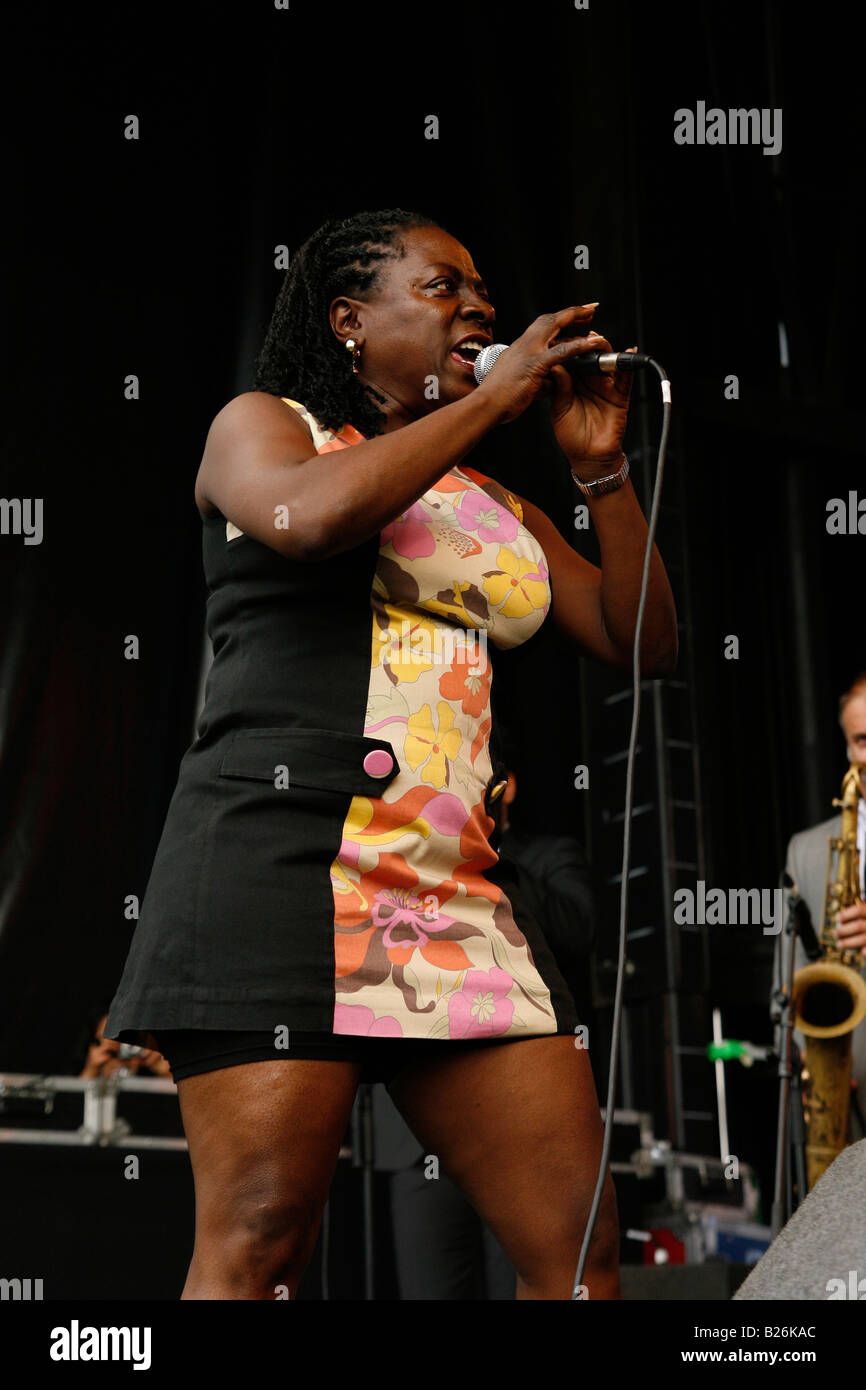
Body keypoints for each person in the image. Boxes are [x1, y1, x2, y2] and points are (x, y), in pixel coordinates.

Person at [104, 208, 678, 1300]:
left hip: (450, 895)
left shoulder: (494, 505)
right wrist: (497, 398)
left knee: (577, 1250)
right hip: (276, 870)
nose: (481, 307)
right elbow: (311, 520)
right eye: (442, 286)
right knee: (260, 1247)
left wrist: (598, 470)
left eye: (481, 291)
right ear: (349, 321)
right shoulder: (265, 428)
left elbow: (637, 639)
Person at [775, 674, 866, 1141]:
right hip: (841, 1098)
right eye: (861, 741)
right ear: (848, 750)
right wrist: (812, 1058)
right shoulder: (804, 851)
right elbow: (785, 986)